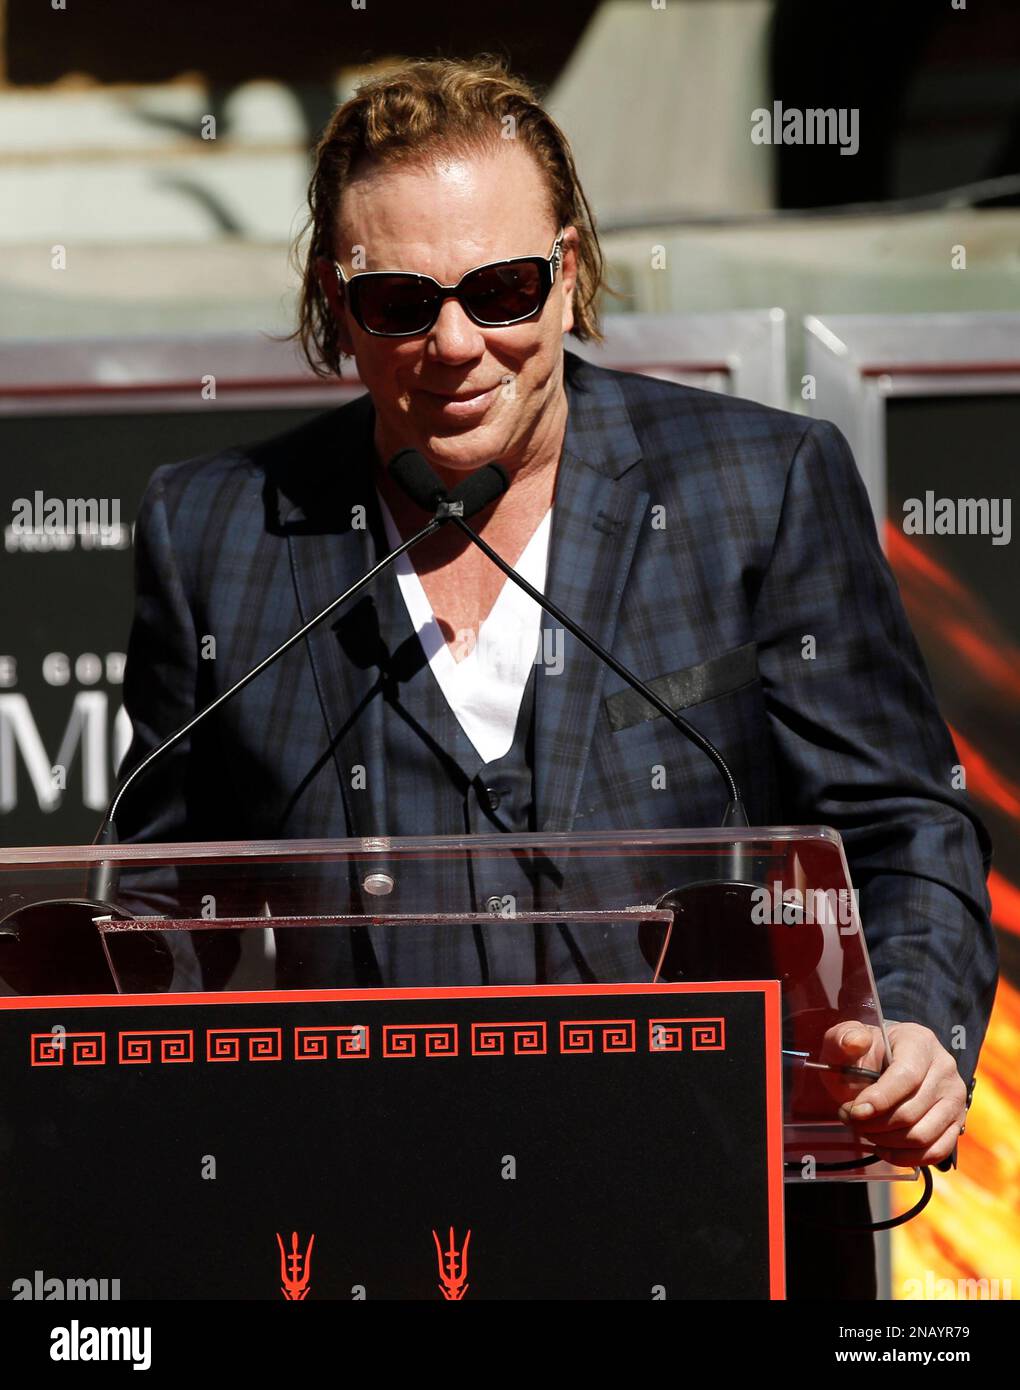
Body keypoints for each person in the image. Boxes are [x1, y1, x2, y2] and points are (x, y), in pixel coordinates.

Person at [117, 56, 998, 1298]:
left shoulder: (760, 486)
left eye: (504, 287)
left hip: (717, 1220)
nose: (458, 342)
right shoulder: (214, 532)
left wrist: (912, 1023)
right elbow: (160, 904)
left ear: (569, 270)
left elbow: (903, 824)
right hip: (370, 1237)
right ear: (335, 299)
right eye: (399, 301)